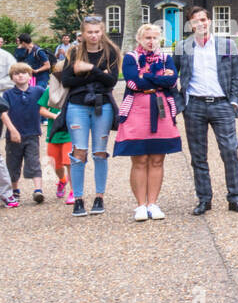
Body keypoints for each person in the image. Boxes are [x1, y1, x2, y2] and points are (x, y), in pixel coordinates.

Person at [174, 5, 238, 215]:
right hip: (194, 106)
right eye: (196, 21)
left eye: (204, 20)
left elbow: (236, 76)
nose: (201, 24)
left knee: (230, 151)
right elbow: (171, 75)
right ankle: (204, 199)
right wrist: (181, 102)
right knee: (198, 155)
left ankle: (235, 197)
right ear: (190, 25)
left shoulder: (226, 45)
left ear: (210, 21)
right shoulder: (183, 47)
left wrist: (233, 100)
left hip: (222, 105)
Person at [113, 23, 182, 221]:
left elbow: (172, 81)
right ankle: (140, 205)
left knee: (157, 158)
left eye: (154, 38)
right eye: (147, 38)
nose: (151, 42)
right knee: (140, 159)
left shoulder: (166, 58)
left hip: (161, 109)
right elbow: (133, 83)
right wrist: (159, 77)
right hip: (136, 110)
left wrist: (148, 77)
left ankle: (153, 203)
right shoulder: (130, 57)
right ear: (140, 39)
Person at [61, 15, 119, 216]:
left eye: (97, 31)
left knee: (100, 152)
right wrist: (97, 75)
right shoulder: (74, 51)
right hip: (77, 106)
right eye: (90, 32)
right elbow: (67, 80)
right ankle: (78, 198)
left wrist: (89, 69)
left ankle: (99, 196)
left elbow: (111, 81)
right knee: (79, 153)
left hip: (102, 106)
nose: (94, 36)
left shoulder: (110, 51)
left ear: (102, 31)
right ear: (83, 34)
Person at [2, 62, 45, 203]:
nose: (20, 75)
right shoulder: (7, 94)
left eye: (23, 73)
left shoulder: (38, 90)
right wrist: (12, 130)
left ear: (30, 75)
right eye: (16, 73)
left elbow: (51, 101)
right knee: (13, 164)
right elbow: (4, 113)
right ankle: (15, 189)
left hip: (32, 133)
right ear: (12, 77)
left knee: (34, 162)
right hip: (13, 136)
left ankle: (38, 190)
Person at [37, 82, 73, 203]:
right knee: (56, 164)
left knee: (69, 162)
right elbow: (42, 110)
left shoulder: (73, 89)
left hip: (70, 133)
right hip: (54, 133)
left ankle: (74, 191)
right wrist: (54, 116)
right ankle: (62, 180)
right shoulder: (50, 91)